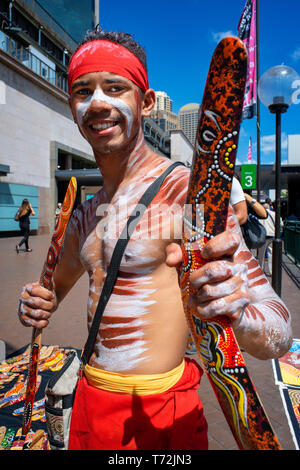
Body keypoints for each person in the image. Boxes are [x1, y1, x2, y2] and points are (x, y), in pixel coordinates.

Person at [17, 29, 292, 450]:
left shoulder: (188, 195)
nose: (98, 104)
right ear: (72, 107)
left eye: (115, 88)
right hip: (90, 407)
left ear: (145, 103)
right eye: (83, 91)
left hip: (163, 415)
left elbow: (280, 332)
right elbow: (50, 292)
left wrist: (236, 312)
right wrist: (35, 303)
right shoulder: (87, 214)